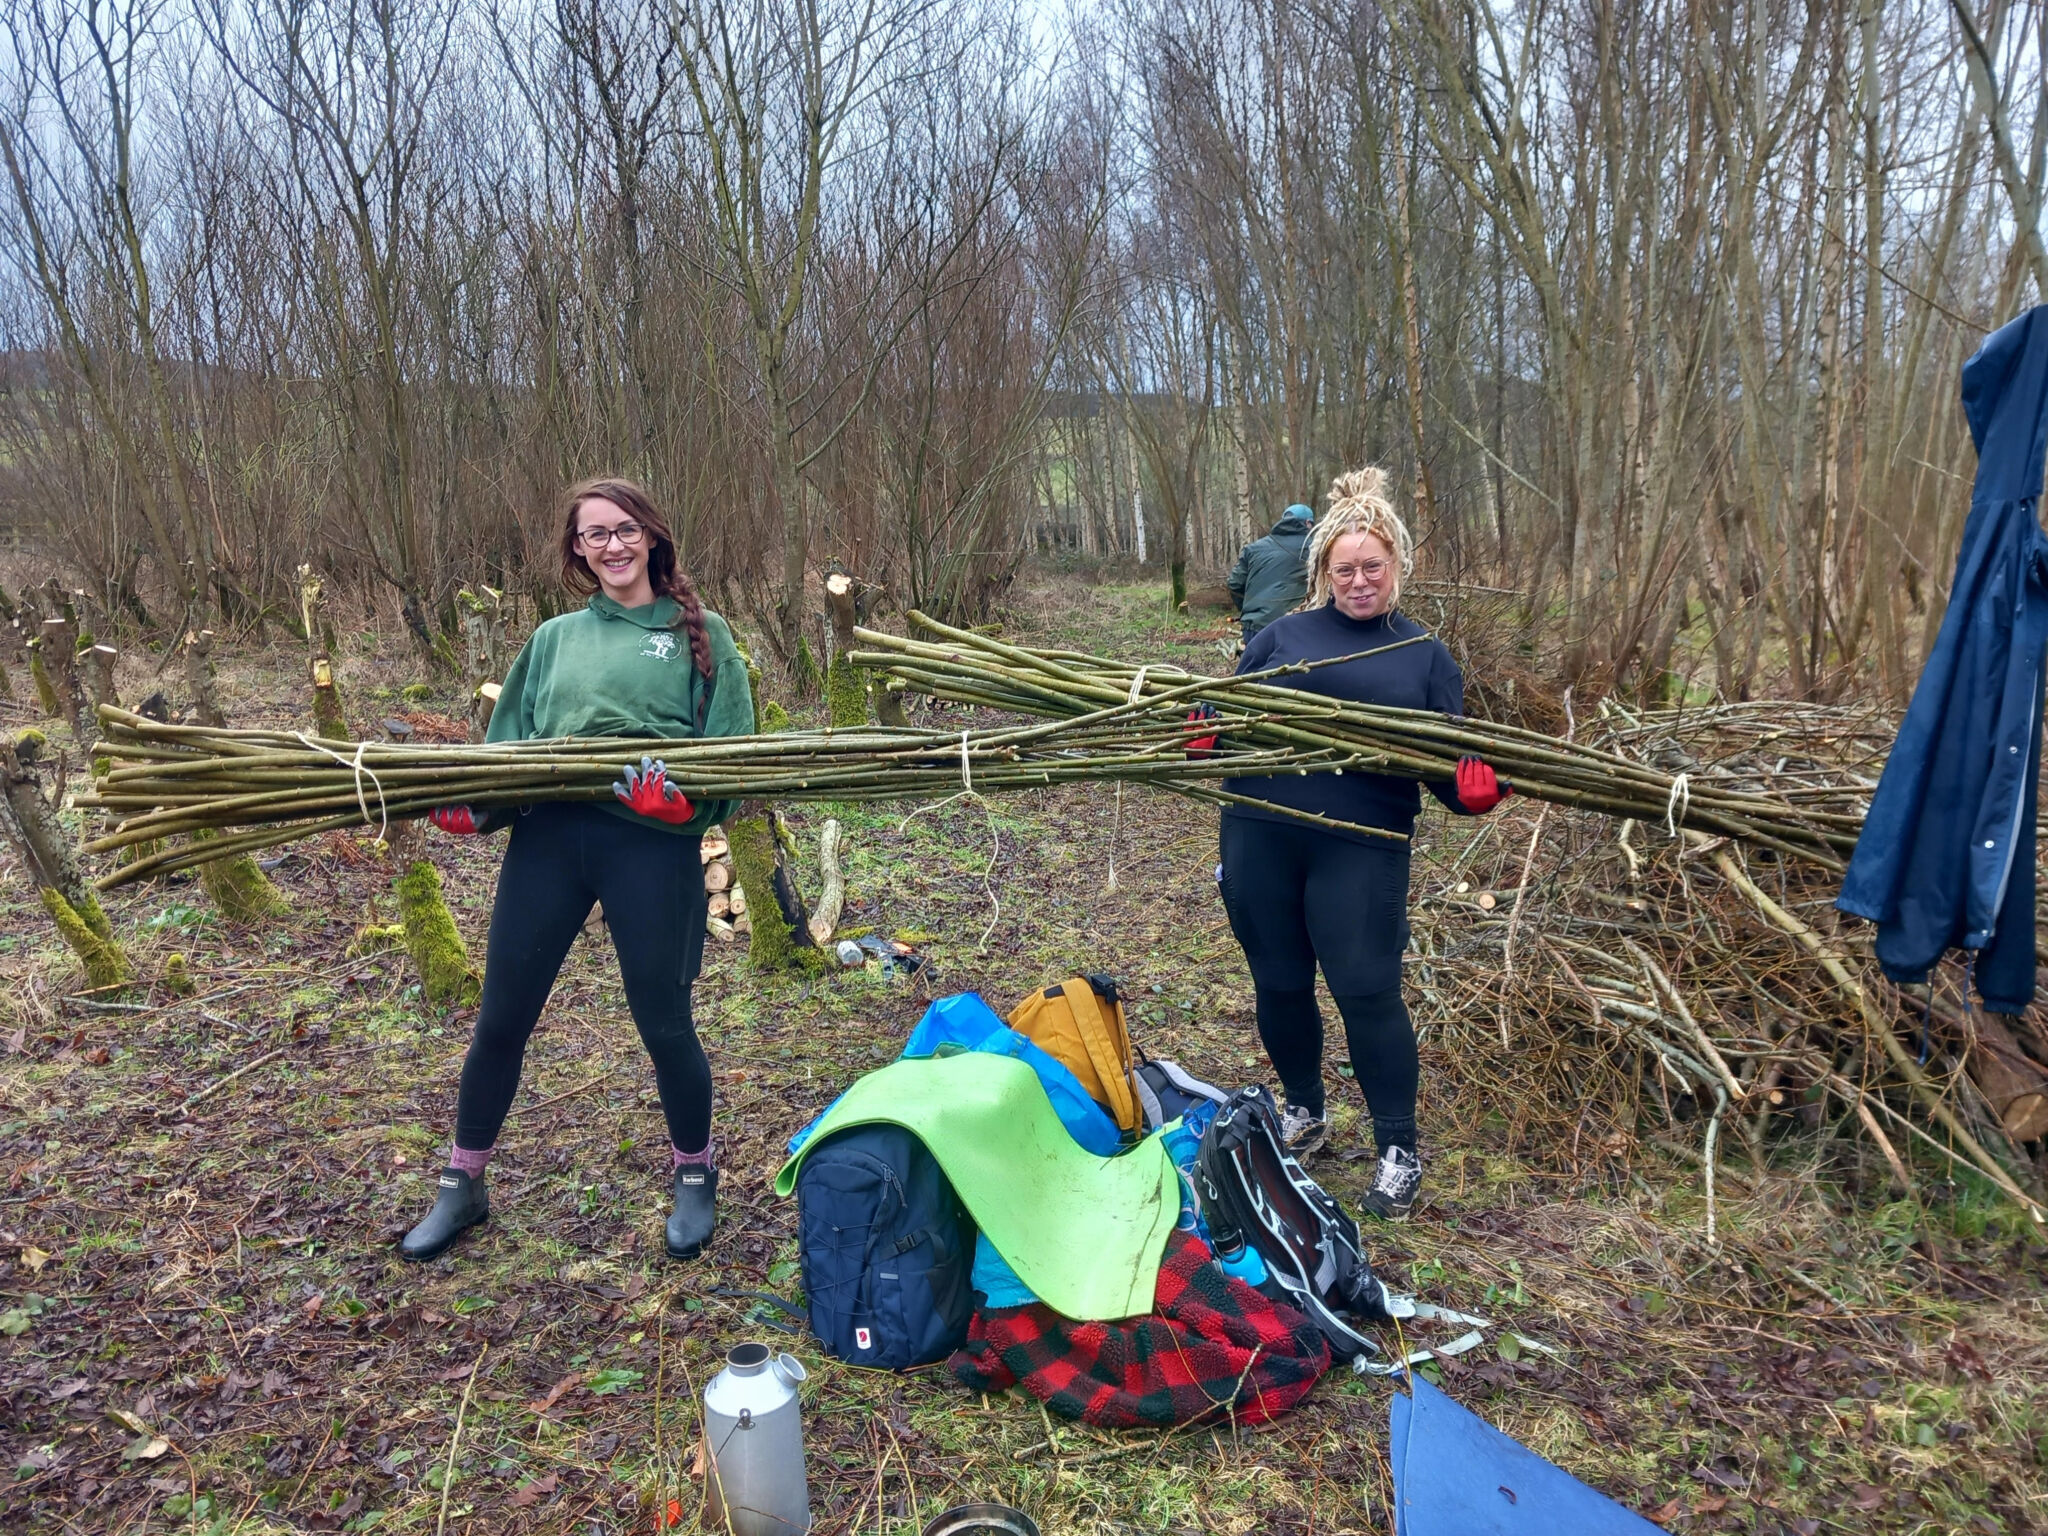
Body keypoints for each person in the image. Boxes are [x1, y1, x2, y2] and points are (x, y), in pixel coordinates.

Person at [399, 477, 754, 1263]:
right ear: (576, 551)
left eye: (625, 530)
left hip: (648, 845)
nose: (613, 546)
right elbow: (508, 750)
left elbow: (735, 756)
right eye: (594, 535)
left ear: (653, 537)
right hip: (551, 842)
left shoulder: (704, 634)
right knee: (501, 1020)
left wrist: (684, 814)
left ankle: (695, 1174)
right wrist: (474, 811)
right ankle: (464, 1184)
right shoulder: (553, 638)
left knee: (664, 1024)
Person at [1211, 467, 1509, 1221]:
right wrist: (1202, 736)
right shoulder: (1281, 637)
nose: (1358, 580)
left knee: (1366, 991)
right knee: (1278, 982)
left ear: (1397, 567)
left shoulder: (1423, 656)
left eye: (1372, 566)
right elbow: (1228, 728)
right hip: (1262, 833)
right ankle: (1304, 1111)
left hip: (1362, 842)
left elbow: (1448, 770)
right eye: (1343, 569)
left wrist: (1475, 792)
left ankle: (1397, 1150)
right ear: (1322, 573)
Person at [1227, 502, 1315, 642]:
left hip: (1254, 628)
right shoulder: (1315, 548)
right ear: (1308, 523)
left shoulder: (1254, 548)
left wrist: (1252, 610)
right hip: (1298, 627)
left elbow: (1234, 584)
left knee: (1259, 664)